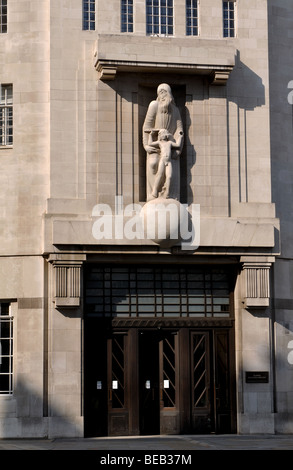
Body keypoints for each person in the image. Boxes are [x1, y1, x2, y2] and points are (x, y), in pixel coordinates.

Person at [143, 84, 184, 200]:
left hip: (170, 148)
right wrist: (146, 145)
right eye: (159, 92)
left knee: (170, 175)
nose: (161, 95)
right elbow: (146, 127)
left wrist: (179, 150)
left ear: (169, 93)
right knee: (153, 163)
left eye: (164, 92)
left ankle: (169, 194)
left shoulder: (175, 110)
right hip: (156, 145)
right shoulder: (154, 105)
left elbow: (179, 129)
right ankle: (153, 194)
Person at [146, 128, 184, 198]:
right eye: (162, 134)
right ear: (160, 136)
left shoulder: (169, 143)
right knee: (159, 175)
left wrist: (180, 137)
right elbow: (150, 143)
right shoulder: (159, 142)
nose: (163, 135)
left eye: (165, 134)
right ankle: (155, 190)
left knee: (169, 176)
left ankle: (167, 192)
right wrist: (150, 135)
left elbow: (178, 145)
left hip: (169, 161)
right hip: (163, 160)